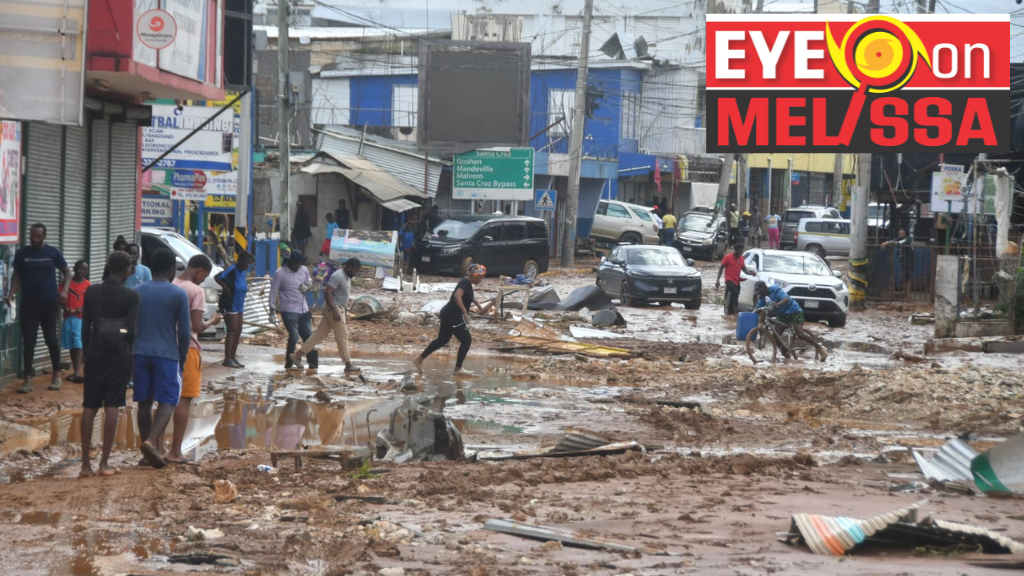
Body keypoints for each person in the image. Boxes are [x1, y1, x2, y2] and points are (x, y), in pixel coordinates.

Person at [79, 251, 140, 477]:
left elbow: (86, 327)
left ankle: (85, 466)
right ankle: (104, 464)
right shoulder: (132, 295)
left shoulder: (92, 291)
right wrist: (125, 343)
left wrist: (87, 352)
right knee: (112, 405)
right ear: (127, 270)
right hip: (119, 355)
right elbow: (132, 330)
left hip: (95, 354)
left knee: (89, 406)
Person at [133, 249, 191, 469]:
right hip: (166, 354)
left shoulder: (137, 291)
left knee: (144, 402)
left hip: (140, 352)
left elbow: (130, 325)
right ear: (170, 270)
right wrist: (182, 357)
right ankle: (150, 442)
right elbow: (184, 332)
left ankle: (146, 453)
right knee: (168, 400)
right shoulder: (178, 294)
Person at [167, 255, 222, 464]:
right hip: (188, 348)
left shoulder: (171, 285)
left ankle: (156, 445)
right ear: (200, 270)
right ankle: (175, 451)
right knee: (184, 398)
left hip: (166, 347)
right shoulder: (195, 291)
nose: (202, 280)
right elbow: (197, 326)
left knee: (165, 399)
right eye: (204, 276)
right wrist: (213, 321)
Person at [6, 223, 71, 393]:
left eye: (38, 236)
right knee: (29, 340)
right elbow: (17, 276)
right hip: (28, 304)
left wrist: (64, 291)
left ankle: (56, 375)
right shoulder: (22, 253)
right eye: (32, 236)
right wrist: (12, 293)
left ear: (44, 236)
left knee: (51, 339)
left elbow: (67, 272)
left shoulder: (52, 252)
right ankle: (27, 379)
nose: (34, 239)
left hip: (50, 304)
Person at [413, 263, 492, 377]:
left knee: (442, 340)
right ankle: (458, 369)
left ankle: (419, 359)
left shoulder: (467, 283)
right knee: (466, 340)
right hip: (453, 316)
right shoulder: (464, 284)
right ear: (473, 276)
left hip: (447, 313)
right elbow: (457, 296)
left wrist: (477, 303)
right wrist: (464, 312)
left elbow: (467, 296)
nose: (481, 279)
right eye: (480, 277)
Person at [293, 258, 362, 374]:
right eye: (355, 271)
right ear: (349, 267)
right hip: (333, 308)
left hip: (337, 309)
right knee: (343, 334)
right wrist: (335, 311)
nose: (356, 273)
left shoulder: (346, 277)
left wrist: (344, 313)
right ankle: (348, 364)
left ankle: (296, 356)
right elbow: (328, 292)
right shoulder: (337, 276)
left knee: (319, 334)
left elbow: (342, 297)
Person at [753, 280, 828, 361]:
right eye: (758, 293)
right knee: (776, 336)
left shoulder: (775, 289)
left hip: (794, 311)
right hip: (782, 315)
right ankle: (786, 355)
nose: (760, 294)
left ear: (765, 288)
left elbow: (786, 299)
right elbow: (759, 309)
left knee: (800, 334)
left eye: (760, 292)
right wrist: (754, 309)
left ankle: (819, 347)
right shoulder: (762, 298)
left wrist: (778, 304)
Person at [270, 250, 317, 374]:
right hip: (289, 310)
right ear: (290, 261)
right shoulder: (280, 273)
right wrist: (272, 311)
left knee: (309, 337)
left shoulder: (304, 270)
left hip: (303, 309)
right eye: (296, 263)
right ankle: (289, 363)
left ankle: (313, 364)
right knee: (294, 336)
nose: (297, 266)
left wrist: (307, 287)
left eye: (300, 263)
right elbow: (273, 292)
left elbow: (309, 283)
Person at [215, 250, 254, 368]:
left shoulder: (243, 272)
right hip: (230, 303)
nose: (247, 266)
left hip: (239, 304)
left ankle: (233, 357)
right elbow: (217, 277)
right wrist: (226, 288)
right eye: (246, 263)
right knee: (232, 330)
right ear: (240, 261)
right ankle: (227, 359)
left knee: (238, 330)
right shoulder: (232, 270)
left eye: (249, 264)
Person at [62, 260, 90, 384]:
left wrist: (82, 308)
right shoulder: (67, 283)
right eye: (80, 268)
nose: (82, 271)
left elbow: (90, 301)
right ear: (74, 268)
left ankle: (78, 372)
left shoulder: (88, 285)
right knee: (72, 344)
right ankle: (75, 371)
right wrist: (65, 308)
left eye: (84, 270)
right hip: (68, 317)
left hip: (81, 318)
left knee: (78, 342)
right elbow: (60, 297)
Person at [715, 243, 753, 316]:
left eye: (741, 252)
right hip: (729, 280)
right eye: (739, 252)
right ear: (735, 250)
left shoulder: (741, 258)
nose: (740, 253)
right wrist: (717, 280)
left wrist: (751, 273)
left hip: (736, 280)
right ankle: (735, 313)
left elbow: (744, 270)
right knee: (735, 293)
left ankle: (730, 311)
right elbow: (721, 268)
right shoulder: (728, 257)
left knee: (735, 294)